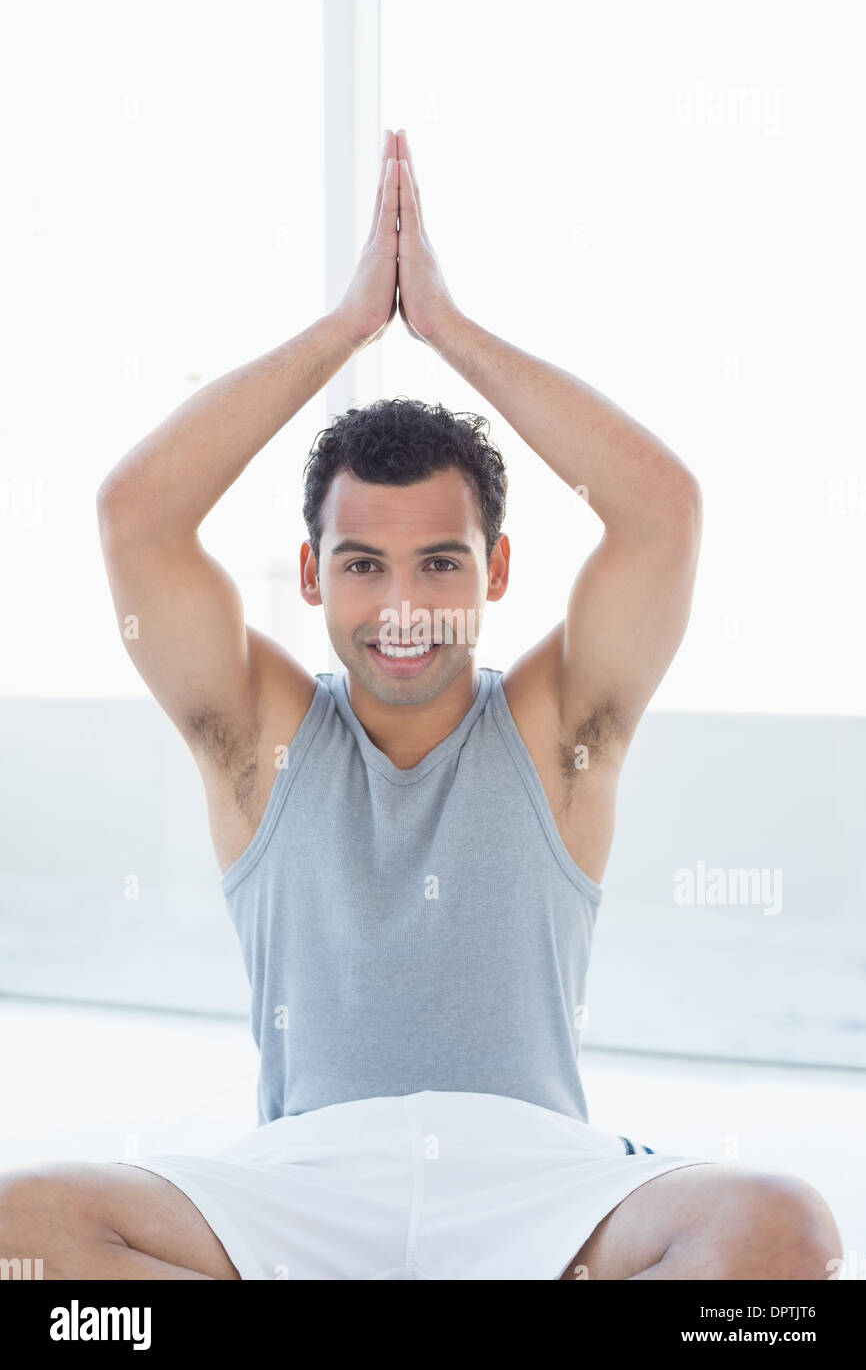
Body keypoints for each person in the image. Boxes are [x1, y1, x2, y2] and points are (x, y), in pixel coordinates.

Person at [2, 130, 842, 1280]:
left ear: (494, 573)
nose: (402, 605)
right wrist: (348, 328)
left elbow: (662, 513)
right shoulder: (262, 741)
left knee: (779, 1230)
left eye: (440, 563)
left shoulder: (559, 732)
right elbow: (134, 516)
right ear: (311, 577)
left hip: (542, 1185)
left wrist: (445, 329)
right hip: (299, 1188)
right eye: (361, 564)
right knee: (23, 1236)